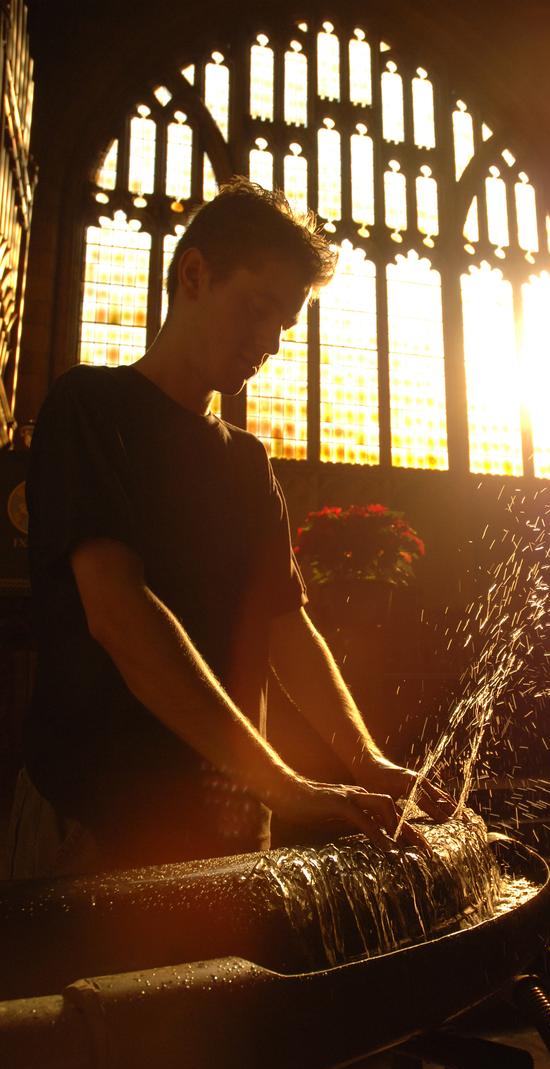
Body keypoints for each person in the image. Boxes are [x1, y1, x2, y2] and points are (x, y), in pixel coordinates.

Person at [7, 177, 453, 878]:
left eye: (285, 322)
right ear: (194, 274)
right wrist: (278, 779)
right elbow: (119, 612)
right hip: (94, 821)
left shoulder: (247, 462)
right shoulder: (88, 408)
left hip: (224, 834)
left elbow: (285, 626)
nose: (271, 343)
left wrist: (366, 761)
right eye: (258, 308)